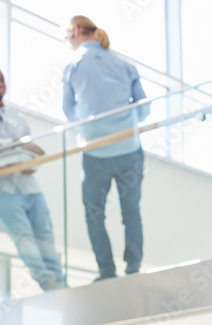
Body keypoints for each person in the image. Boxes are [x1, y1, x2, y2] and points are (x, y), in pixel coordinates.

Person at [0, 66, 64, 291]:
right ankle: (49, 284)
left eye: (2, 80)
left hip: (28, 185)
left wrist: (16, 148)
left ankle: (60, 283)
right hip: (1, 185)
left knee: (45, 234)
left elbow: (26, 149)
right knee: (23, 237)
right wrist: (14, 145)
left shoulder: (16, 118)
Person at [62, 15, 149, 281]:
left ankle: (106, 271)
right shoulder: (124, 65)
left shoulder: (73, 65)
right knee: (131, 212)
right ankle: (133, 268)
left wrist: (91, 126)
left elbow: (68, 111)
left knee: (94, 215)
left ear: (76, 30)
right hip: (129, 149)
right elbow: (144, 108)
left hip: (95, 152)